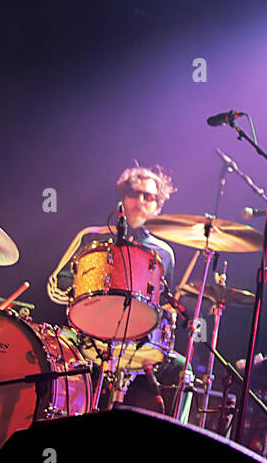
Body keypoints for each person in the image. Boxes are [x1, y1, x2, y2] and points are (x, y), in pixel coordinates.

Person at [48, 164, 179, 412]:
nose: (140, 201)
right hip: (87, 336)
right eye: (134, 193)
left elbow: (162, 303)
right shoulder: (90, 237)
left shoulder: (164, 253)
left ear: (158, 206)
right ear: (123, 197)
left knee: (184, 370)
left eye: (148, 196)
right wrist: (83, 295)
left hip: (136, 344)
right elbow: (55, 285)